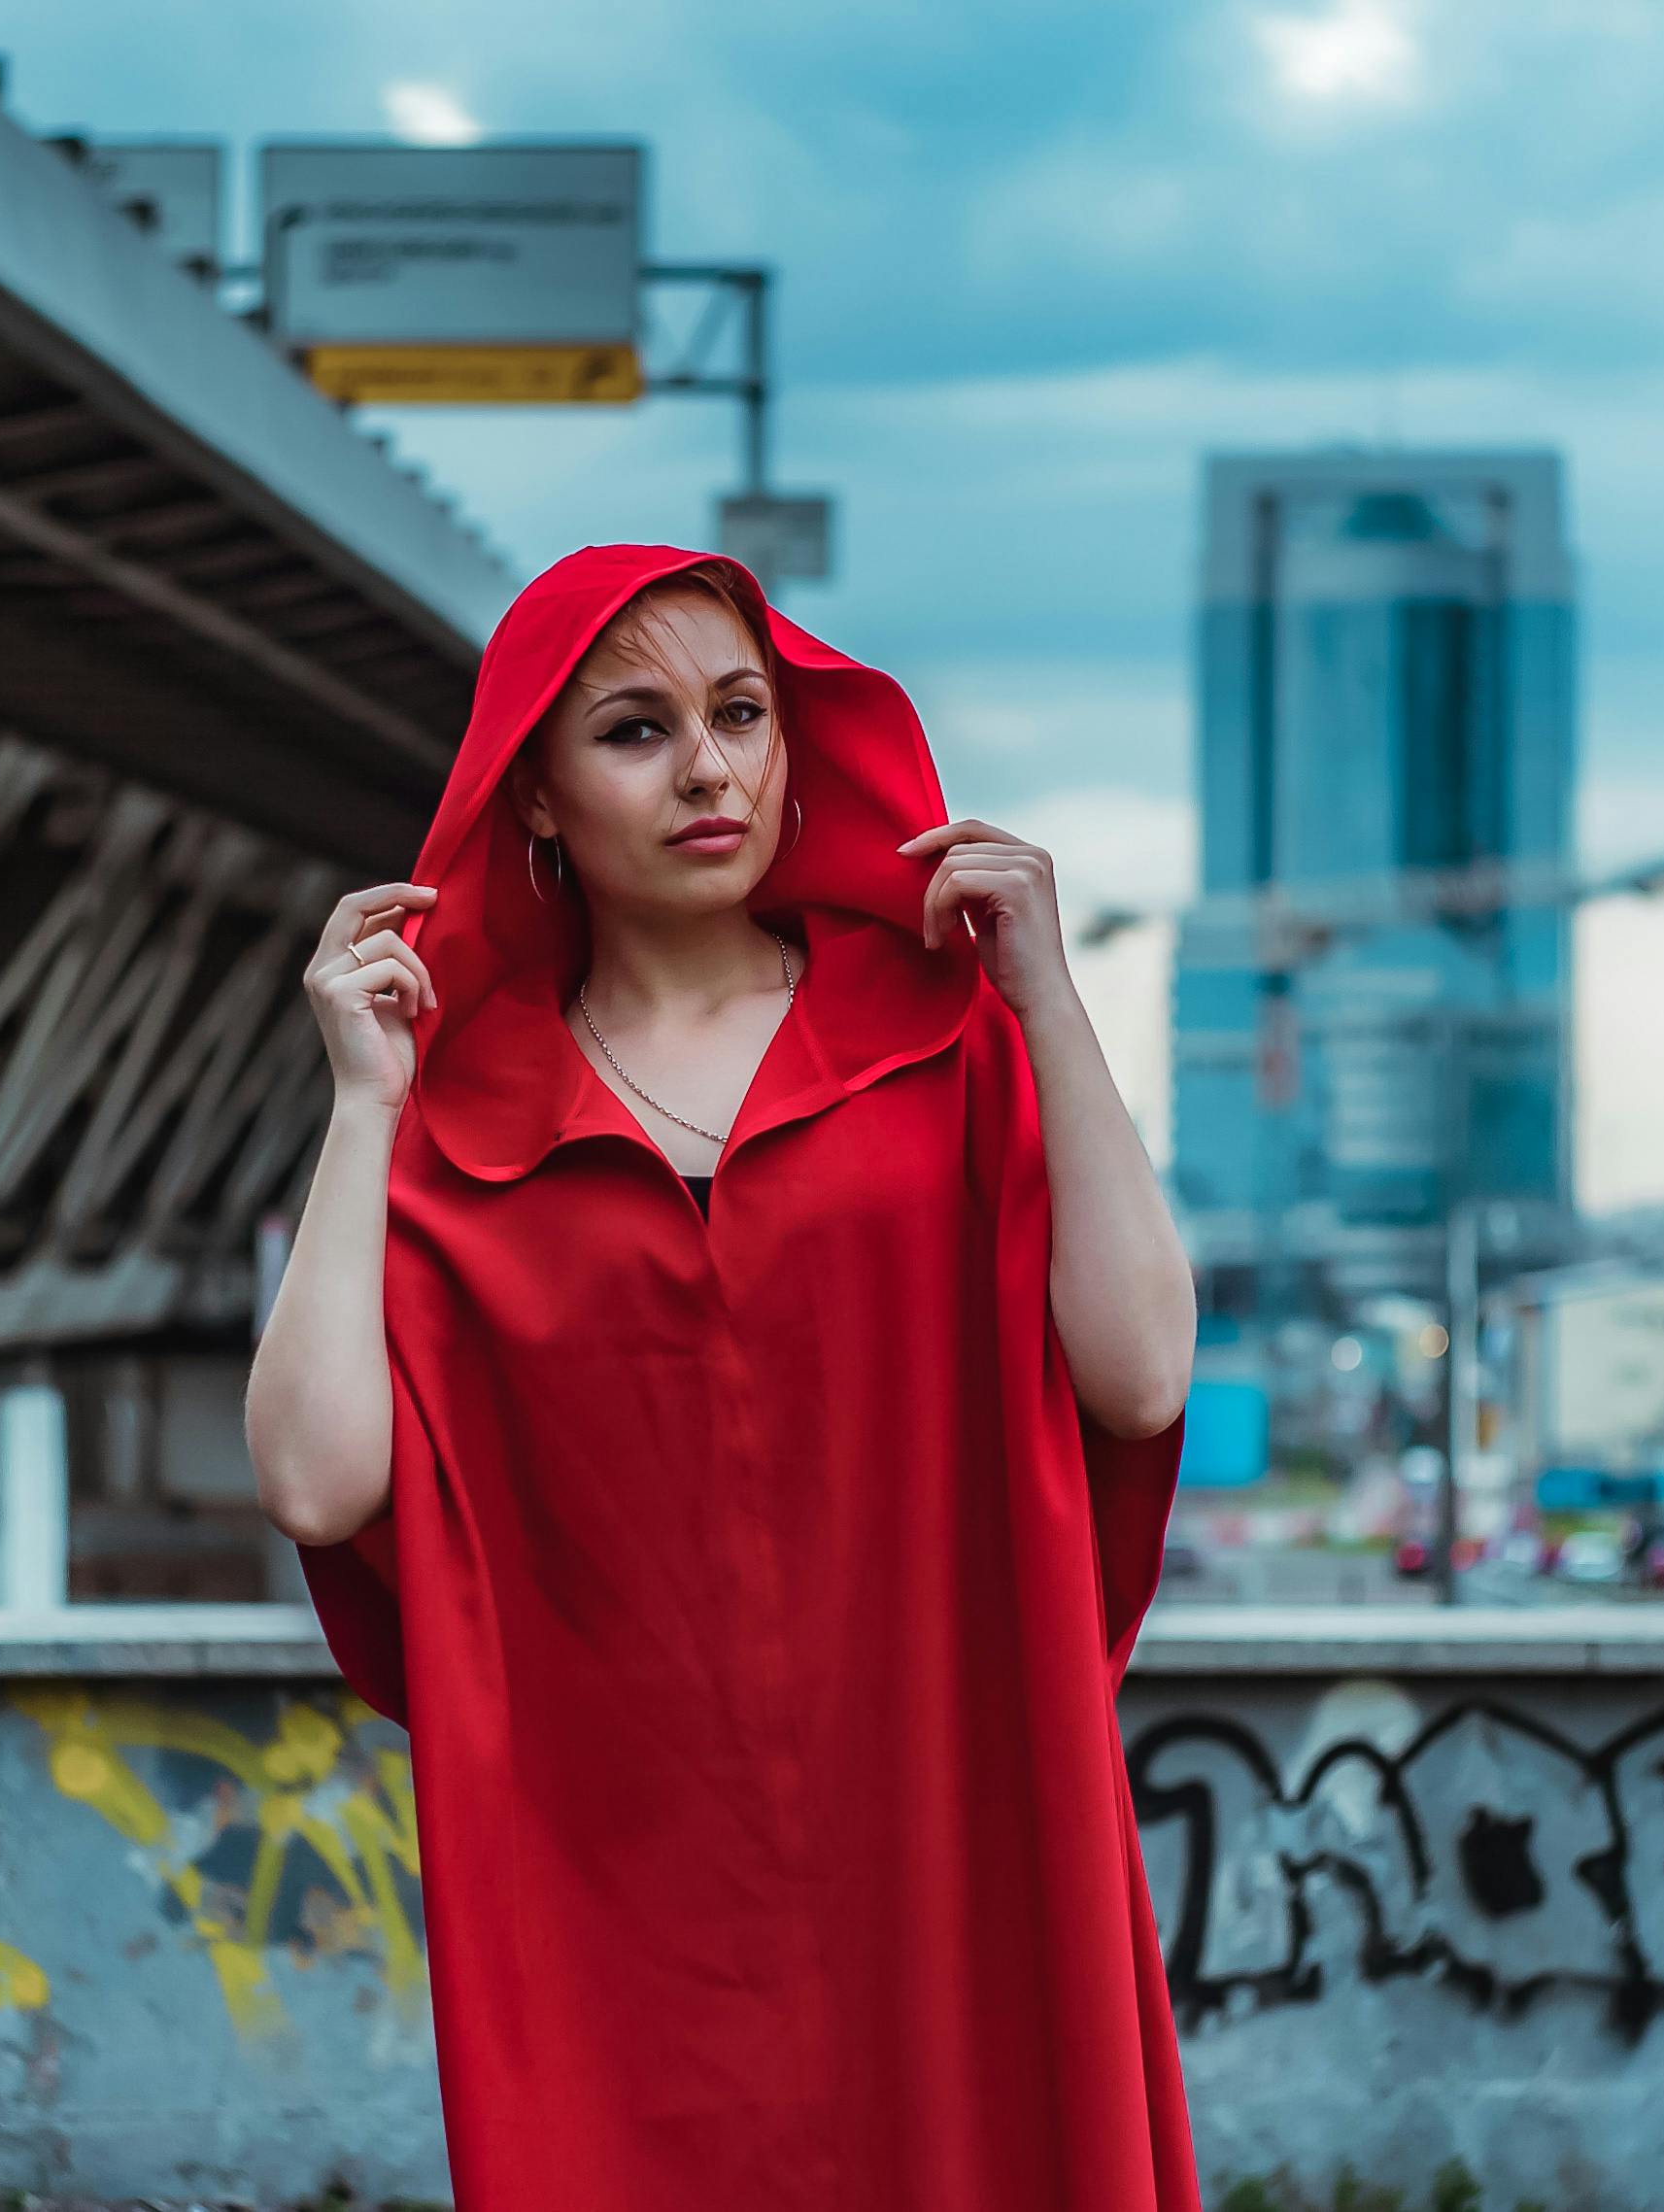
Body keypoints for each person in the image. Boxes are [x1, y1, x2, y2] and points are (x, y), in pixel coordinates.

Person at [247, 544, 1201, 2212]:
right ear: (532, 798)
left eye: (741, 712)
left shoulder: (948, 1043)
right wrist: (365, 1103)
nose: (710, 766)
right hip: (616, 1882)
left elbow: (1138, 1374)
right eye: (635, 728)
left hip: (950, 1815)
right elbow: (319, 1482)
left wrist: (1048, 999)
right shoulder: (454, 1123)